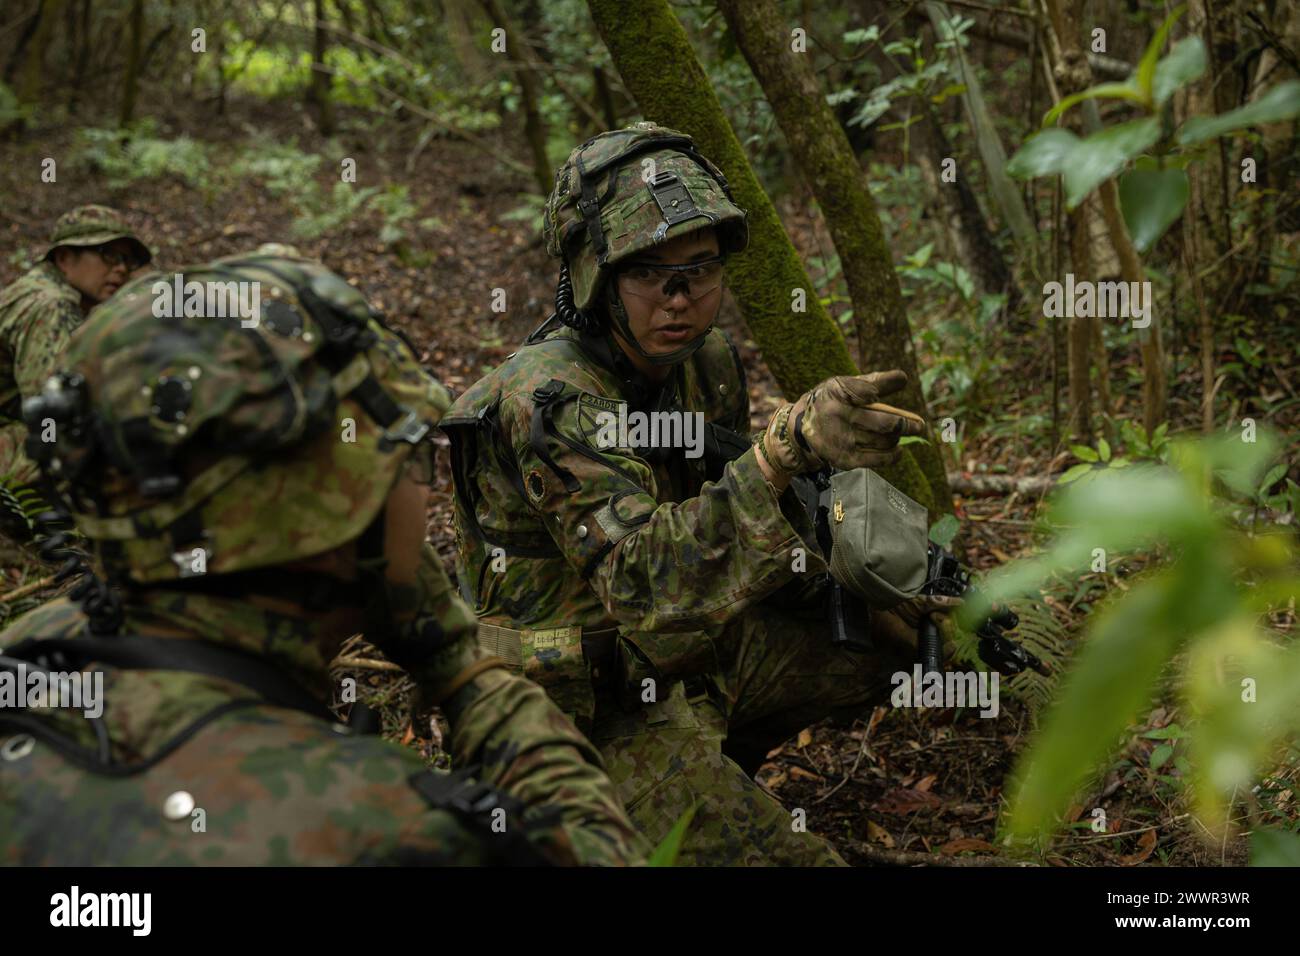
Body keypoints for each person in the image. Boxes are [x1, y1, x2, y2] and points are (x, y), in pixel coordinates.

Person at [0, 251, 645, 866]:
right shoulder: (381, 825)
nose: (424, 488)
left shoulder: (36, 652)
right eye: (408, 459)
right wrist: (463, 668)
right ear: (333, 515)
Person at [441, 123, 958, 866]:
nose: (680, 301)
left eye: (702, 270)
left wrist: (879, 588)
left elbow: (724, 524)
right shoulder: (549, 399)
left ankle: (707, 774)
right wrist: (782, 450)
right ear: (596, 275)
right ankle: (619, 811)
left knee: (877, 644)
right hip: (564, 718)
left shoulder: (699, 363)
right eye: (651, 274)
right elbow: (643, 578)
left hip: (671, 663)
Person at [0, 205, 149, 531]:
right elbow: (55, 415)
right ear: (65, 259)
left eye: (128, 260)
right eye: (109, 255)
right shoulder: (49, 306)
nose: (121, 270)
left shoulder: (48, 295)